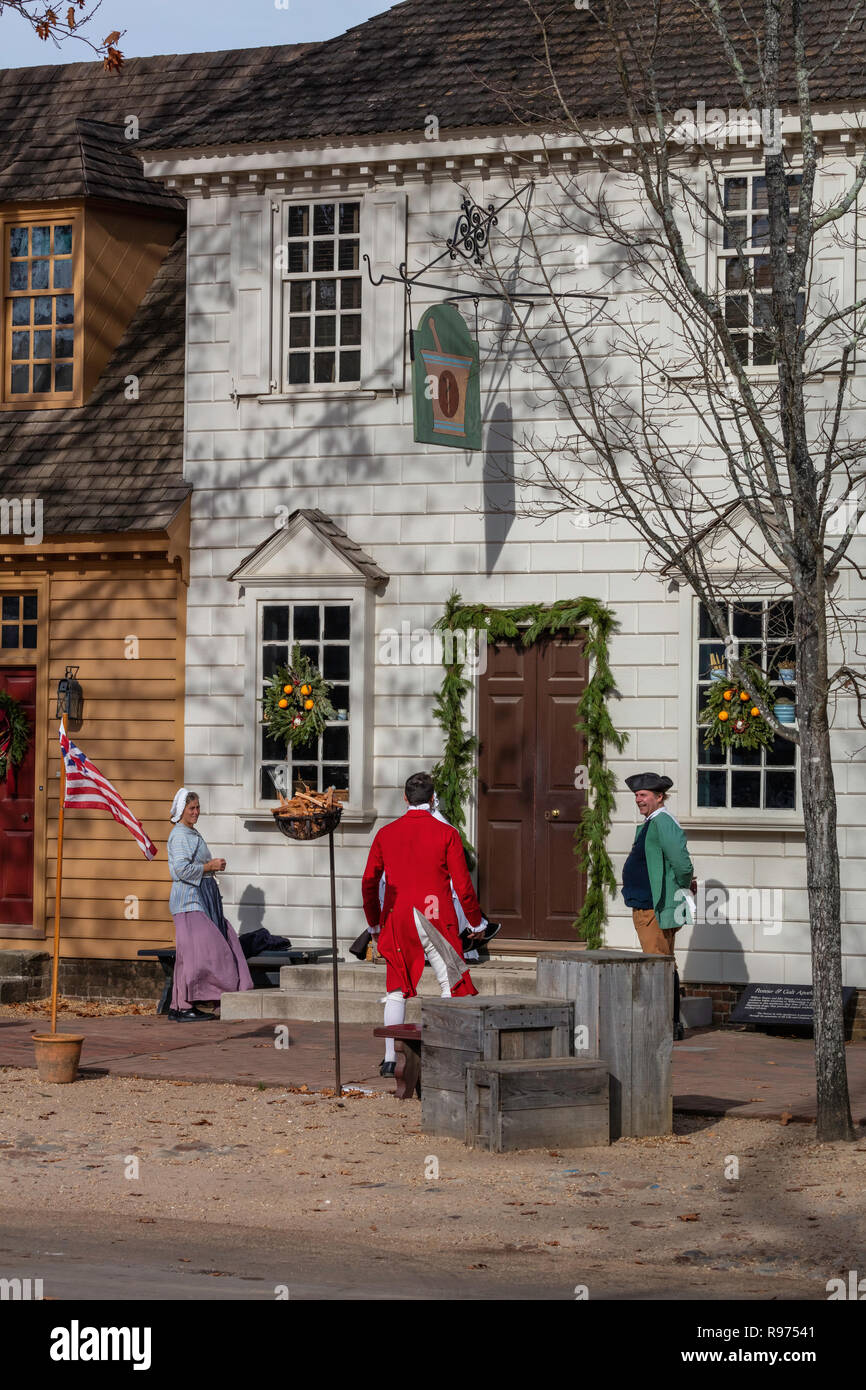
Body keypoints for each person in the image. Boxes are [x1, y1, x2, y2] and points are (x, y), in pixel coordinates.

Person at [362, 771, 483, 1076]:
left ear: (405, 798)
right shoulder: (447, 834)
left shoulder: (386, 833)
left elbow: (368, 882)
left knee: (396, 989)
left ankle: (391, 1059)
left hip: (398, 915)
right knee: (450, 982)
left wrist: (374, 922)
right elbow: (463, 885)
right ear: (432, 799)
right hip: (435, 915)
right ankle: (446, 1053)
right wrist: (476, 922)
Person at [166, 788, 254, 1021]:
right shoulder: (181, 836)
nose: (196, 812)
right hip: (188, 900)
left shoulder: (191, 833)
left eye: (197, 808)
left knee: (195, 953)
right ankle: (192, 1002)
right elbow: (180, 871)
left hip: (201, 899)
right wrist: (210, 867)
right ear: (181, 810)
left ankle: (180, 1005)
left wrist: (212, 867)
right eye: (191, 808)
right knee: (209, 952)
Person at [621, 772, 694, 1041]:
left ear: (659, 797)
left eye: (643, 795)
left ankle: (665, 1024)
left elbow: (682, 864)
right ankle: (669, 1023)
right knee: (663, 963)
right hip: (647, 904)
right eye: (637, 796)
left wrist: (682, 886)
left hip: (654, 906)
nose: (639, 800)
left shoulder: (663, 822)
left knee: (658, 964)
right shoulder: (652, 822)